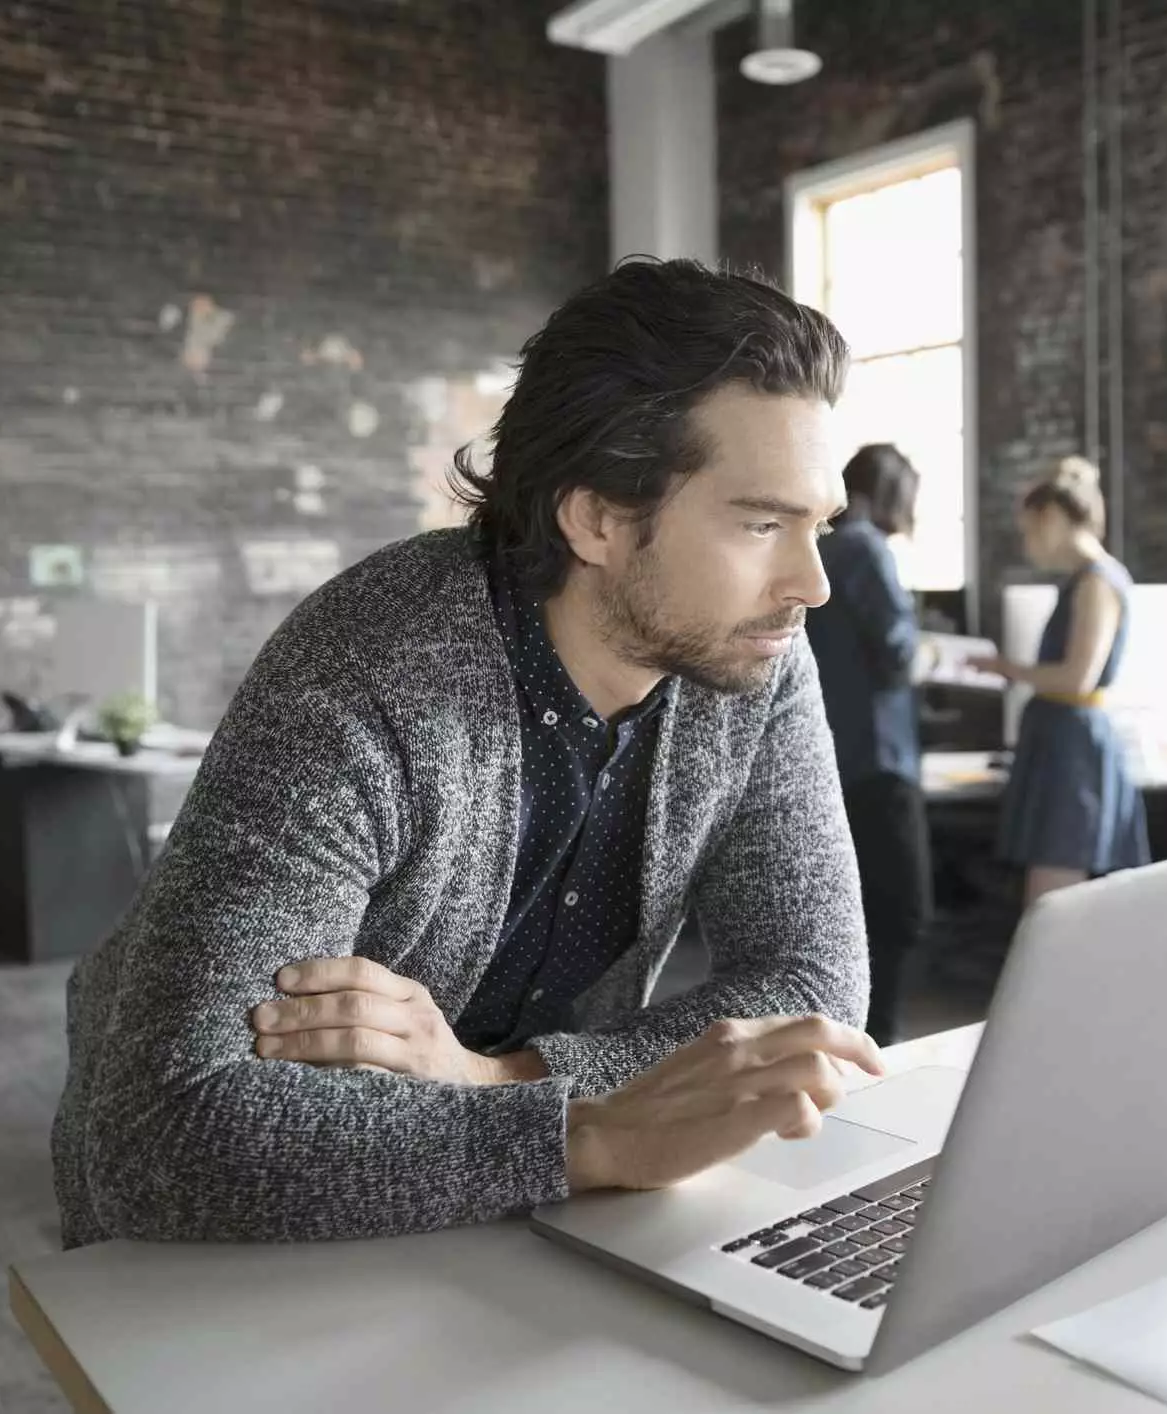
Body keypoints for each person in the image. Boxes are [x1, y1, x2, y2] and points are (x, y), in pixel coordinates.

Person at [51, 259, 887, 1247]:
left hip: (510, 1225)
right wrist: (592, 1136)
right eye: (761, 523)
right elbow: (162, 1134)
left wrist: (508, 1079)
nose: (814, 583)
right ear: (600, 519)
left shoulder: (751, 655)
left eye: (819, 525)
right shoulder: (368, 666)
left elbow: (812, 988)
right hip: (218, 1257)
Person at [970, 456, 1148, 909]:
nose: (1028, 545)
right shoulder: (1084, 582)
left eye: (1029, 529)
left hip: (1073, 750)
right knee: (1051, 892)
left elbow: (1077, 675)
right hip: (1059, 742)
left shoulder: (1096, 583)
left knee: (1053, 899)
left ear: (1051, 518)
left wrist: (1009, 669)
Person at [808, 443, 931, 1042]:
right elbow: (899, 652)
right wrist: (934, 651)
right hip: (879, 756)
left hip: (832, 753)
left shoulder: (824, 548)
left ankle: (850, 1042)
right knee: (900, 911)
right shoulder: (865, 549)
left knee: (847, 915)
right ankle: (878, 1044)